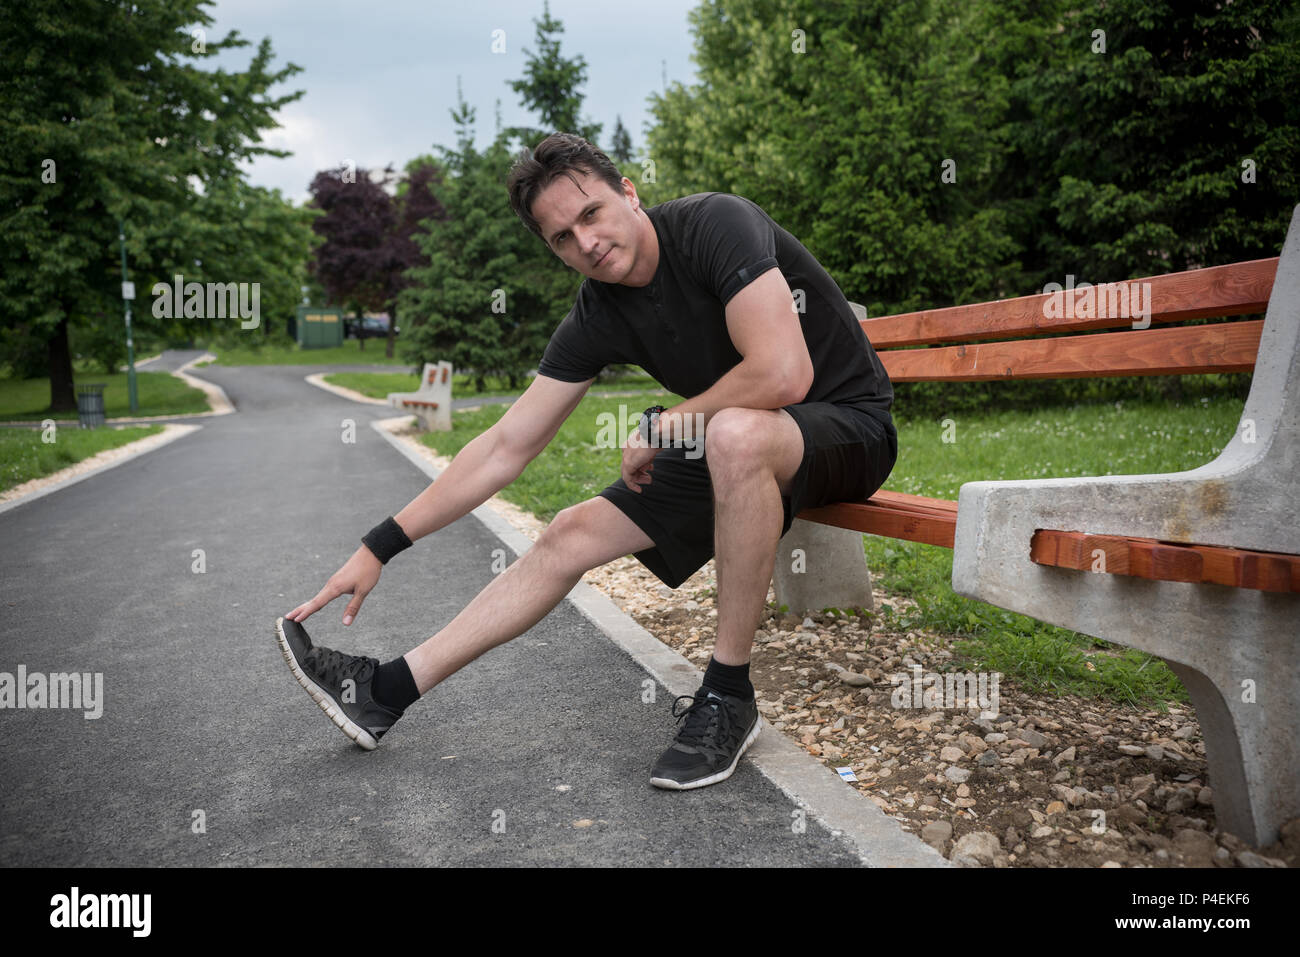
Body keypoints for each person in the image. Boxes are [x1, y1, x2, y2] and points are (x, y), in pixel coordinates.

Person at [277, 132, 897, 790]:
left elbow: (783, 371)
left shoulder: (717, 223)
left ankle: (728, 695)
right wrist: (380, 544)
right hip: (738, 439)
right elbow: (505, 445)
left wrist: (667, 423)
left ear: (629, 193)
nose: (587, 243)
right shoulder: (599, 309)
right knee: (571, 530)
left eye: (592, 213)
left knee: (736, 434)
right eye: (562, 238)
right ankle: (383, 691)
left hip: (848, 427)